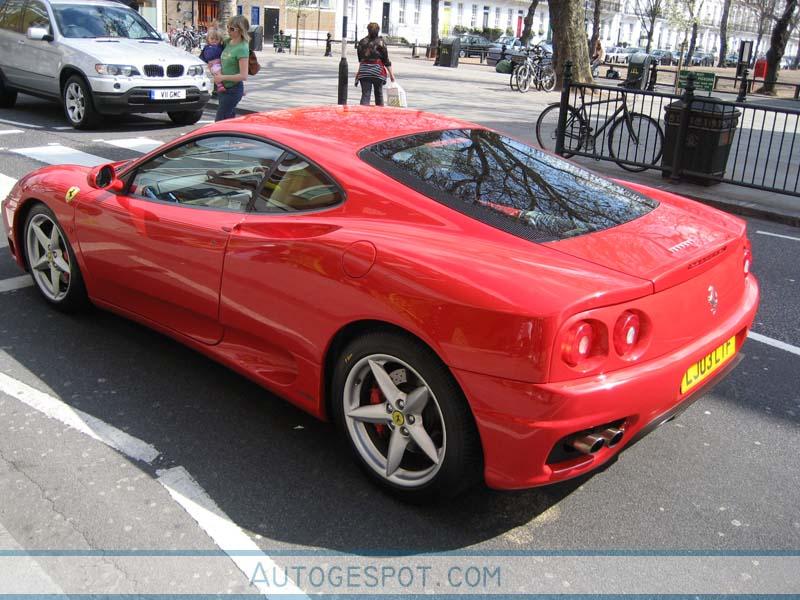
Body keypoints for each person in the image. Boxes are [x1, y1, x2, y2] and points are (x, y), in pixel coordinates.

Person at [213, 16, 250, 121]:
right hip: (222, 89)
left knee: (220, 121)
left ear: (241, 30)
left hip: (233, 90)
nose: (228, 30)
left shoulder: (242, 48)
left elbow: (243, 75)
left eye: (232, 29)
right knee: (227, 120)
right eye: (228, 27)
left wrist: (222, 78)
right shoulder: (228, 42)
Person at [355, 22, 394, 106]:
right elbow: (386, 60)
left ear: (368, 30)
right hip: (377, 72)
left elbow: (361, 59)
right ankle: (379, 114)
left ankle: (363, 114)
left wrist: (358, 73)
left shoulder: (362, 42)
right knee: (379, 94)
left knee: (365, 94)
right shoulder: (381, 42)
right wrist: (391, 75)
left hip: (364, 71)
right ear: (378, 31)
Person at [200, 27, 225, 94]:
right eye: (212, 39)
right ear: (208, 39)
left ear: (220, 40)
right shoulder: (207, 47)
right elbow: (202, 57)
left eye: (217, 39)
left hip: (220, 64)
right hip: (213, 65)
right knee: (217, 73)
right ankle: (219, 86)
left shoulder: (220, 46)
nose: (214, 41)